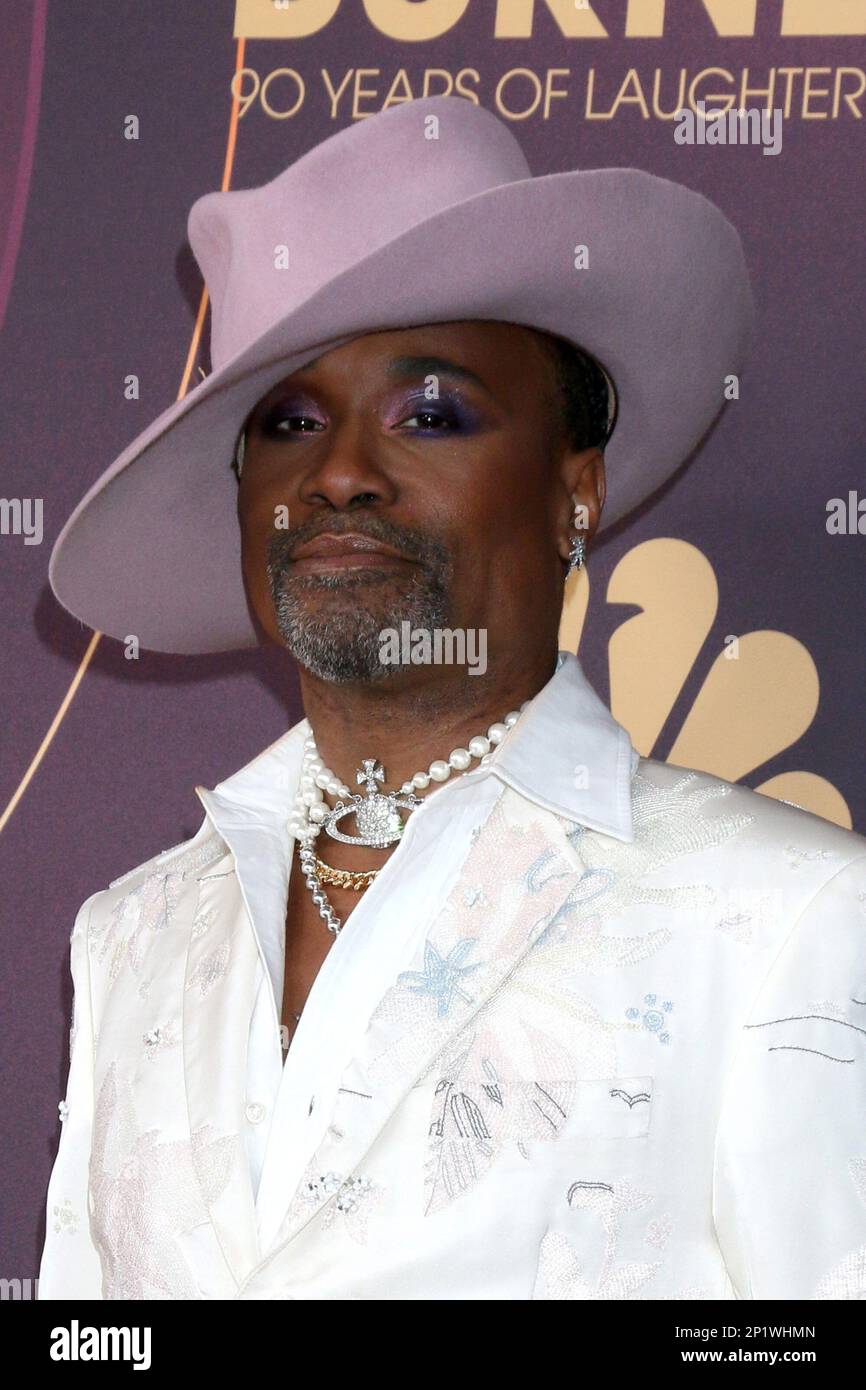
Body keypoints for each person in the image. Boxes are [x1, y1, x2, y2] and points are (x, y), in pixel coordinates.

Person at [39, 95, 865, 1300]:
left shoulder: (789, 915)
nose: (338, 475)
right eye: (288, 422)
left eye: (431, 412)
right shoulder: (132, 936)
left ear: (572, 489)